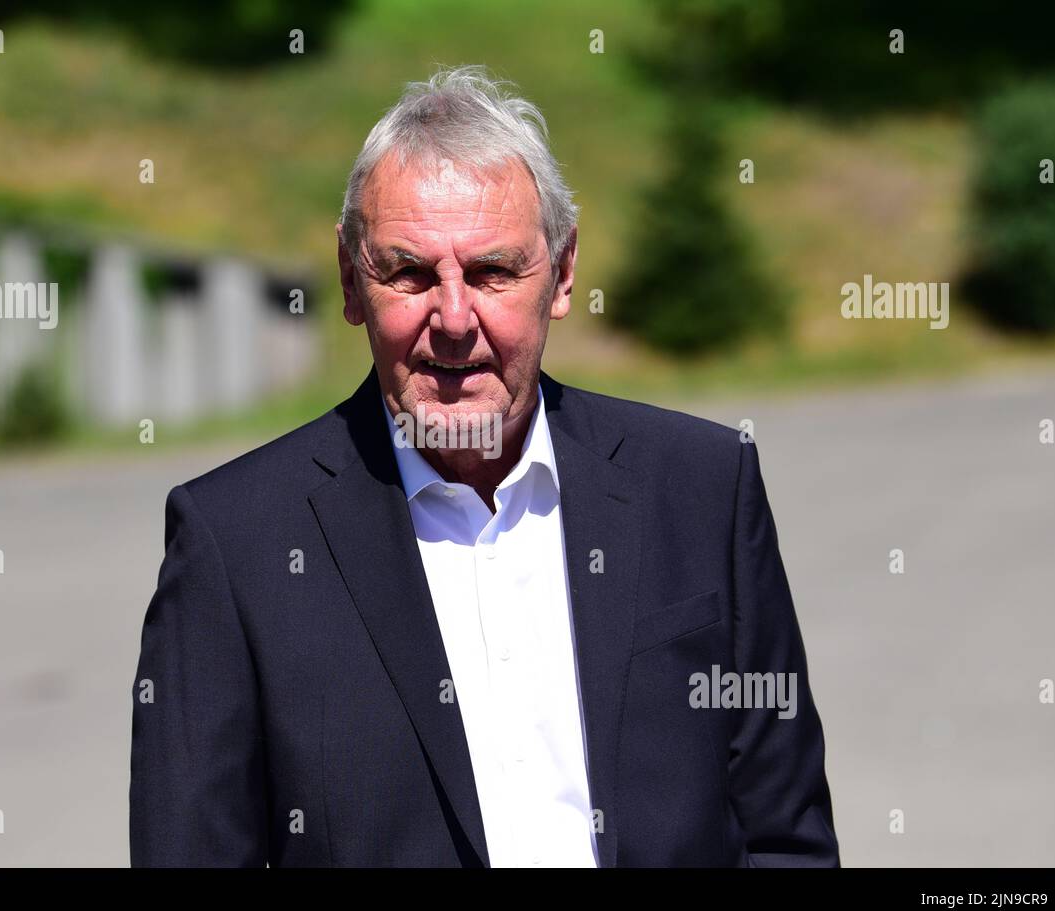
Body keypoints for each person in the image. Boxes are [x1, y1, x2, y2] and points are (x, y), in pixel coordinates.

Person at [129, 65, 838, 867]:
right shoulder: (236, 544)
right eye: (410, 273)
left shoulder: (702, 488)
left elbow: (787, 841)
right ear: (350, 279)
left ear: (563, 273)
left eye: (495, 271)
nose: (455, 320)